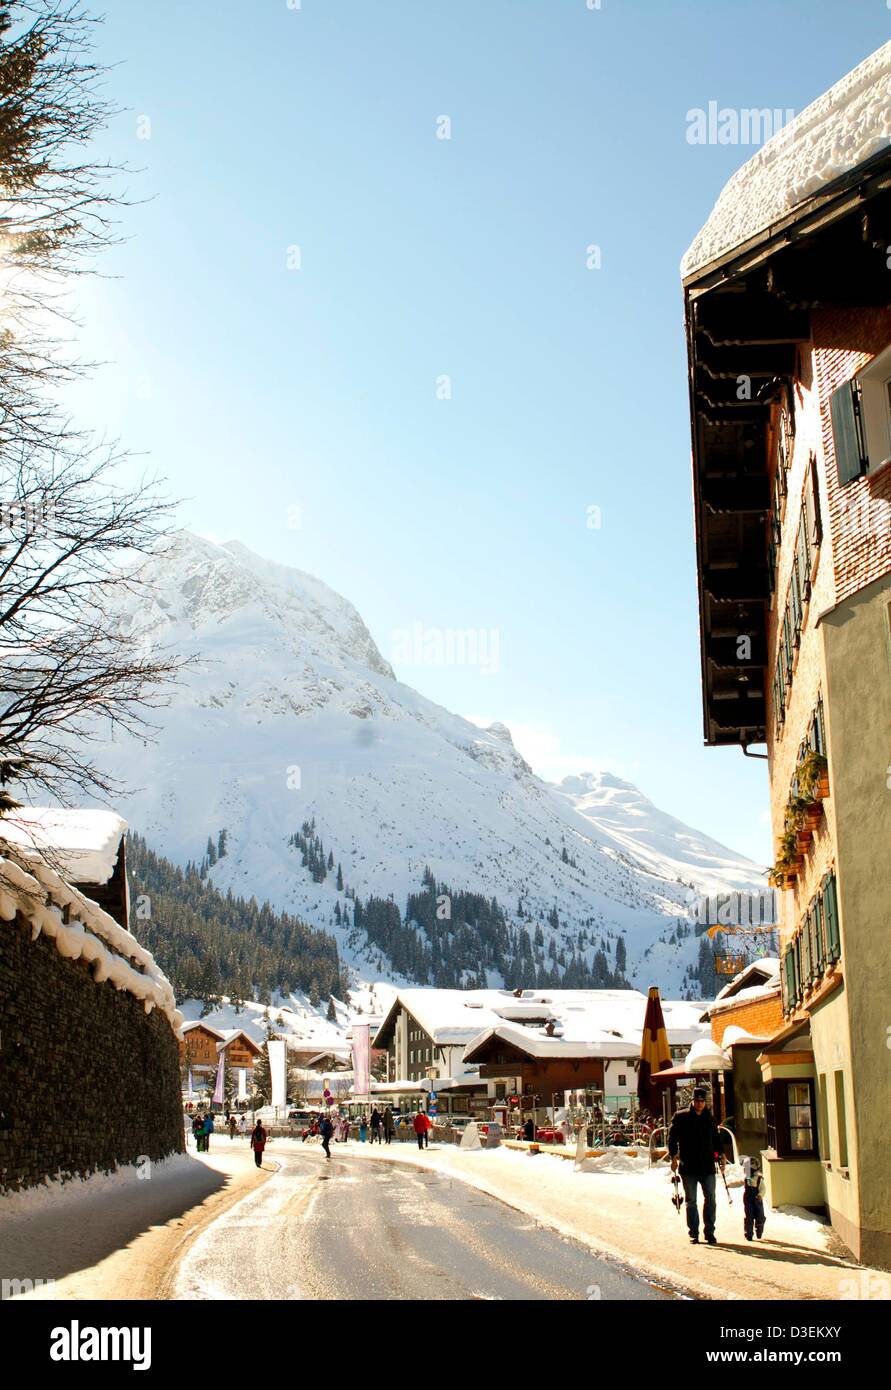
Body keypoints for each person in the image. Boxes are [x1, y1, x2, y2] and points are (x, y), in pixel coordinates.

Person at [667, 1087, 725, 1246]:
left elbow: (716, 1139)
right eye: (697, 1101)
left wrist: (721, 1155)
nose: (700, 1104)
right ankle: (694, 1233)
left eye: (702, 1101)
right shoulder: (681, 1117)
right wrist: (673, 1156)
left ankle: (710, 1232)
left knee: (711, 1199)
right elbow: (672, 1138)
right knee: (691, 1200)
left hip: (707, 1166)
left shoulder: (710, 1119)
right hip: (688, 1166)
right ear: (692, 1101)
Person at [742, 1156, 766, 1241]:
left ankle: (759, 1231)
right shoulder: (746, 1179)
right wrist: (730, 1185)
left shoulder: (759, 1179)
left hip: (757, 1200)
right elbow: (739, 1182)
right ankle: (749, 1233)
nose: (745, 1171)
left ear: (753, 1169)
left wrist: (760, 1195)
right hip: (748, 1200)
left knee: (760, 1216)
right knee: (749, 1216)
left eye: (747, 1169)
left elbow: (763, 1189)